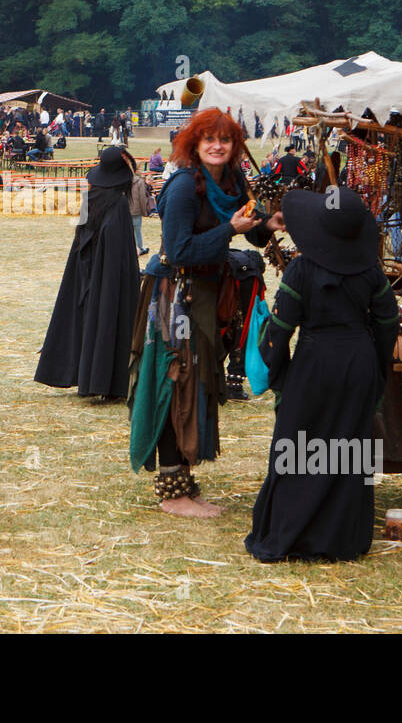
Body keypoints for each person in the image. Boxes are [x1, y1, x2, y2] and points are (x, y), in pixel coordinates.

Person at [128, 109, 280, 518]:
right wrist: (230, 230)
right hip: (175, 296)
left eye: (225, 140)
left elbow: (250, 222)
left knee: (198, 386)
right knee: (175, 384)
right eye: (209, 139)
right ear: (194, 144)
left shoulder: (232, 182)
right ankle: (173, 492)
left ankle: (186, 484)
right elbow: (177, 251)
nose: (217, 146)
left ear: (235, 147)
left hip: (210, 295)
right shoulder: (182, 187)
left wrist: (269, 224)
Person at [244, 187, 398, 562]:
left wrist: (278, 376)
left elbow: (280, 330)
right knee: (349, 447)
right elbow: (387, 326)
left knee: (298, 446)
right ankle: (342, 538)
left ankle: (293, 534)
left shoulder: (301, 270)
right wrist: (375, 372)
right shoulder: (371, 272)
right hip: (358, 362)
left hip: (315, 363)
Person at [35, 147, 141, 398]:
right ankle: (102, 380)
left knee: (85, 318)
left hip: (86, 272)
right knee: (104, 318)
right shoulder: (117, 205)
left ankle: (86, 376)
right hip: (106, 276)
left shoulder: (91, 198)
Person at [123, 150, 150, 256]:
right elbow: (143, 199)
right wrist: (145, 211)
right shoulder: (139, 182)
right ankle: (139, 248)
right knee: (137, 231)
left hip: (126, 209)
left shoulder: (125, 180)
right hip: (136, 210)